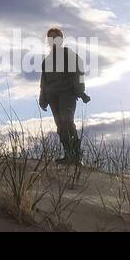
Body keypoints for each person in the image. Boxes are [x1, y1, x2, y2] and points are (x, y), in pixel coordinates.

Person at [38, 26, 90, 165]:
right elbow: (44, 81)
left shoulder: (70, 55)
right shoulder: (47, 60)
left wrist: (81, 92)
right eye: (50, 38)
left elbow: (79, 73)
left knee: (67, 123)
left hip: (67, 94)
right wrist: (42, 98)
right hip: (52, 96)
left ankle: (75, 157)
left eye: (55, 37)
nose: (53, 40)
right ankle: (68, 155)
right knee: (60, 126)